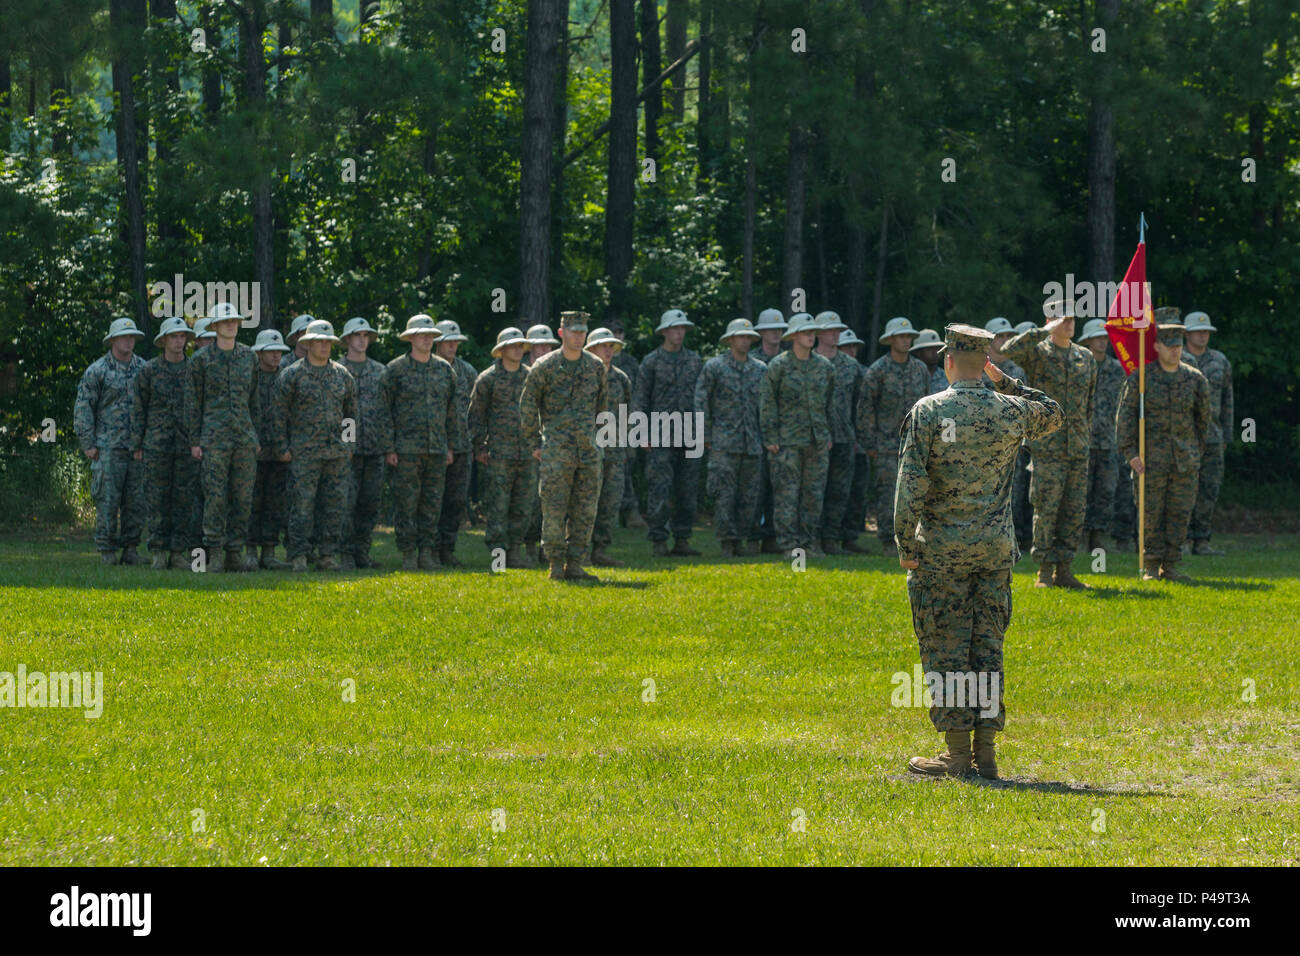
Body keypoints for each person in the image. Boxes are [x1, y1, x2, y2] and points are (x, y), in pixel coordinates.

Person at [896, 325, 1063, 779]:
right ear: (985, 364)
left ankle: (955, 754)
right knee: (987, 647)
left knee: (946, 648)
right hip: (993, 551)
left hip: (942, 553)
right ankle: (985, 753)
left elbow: (911, 485)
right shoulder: (1010, 409)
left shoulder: (929, 411)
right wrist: (1005, 380)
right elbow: (1053, 412)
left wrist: (905, 545)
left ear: (947, 361)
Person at [1000, 301, 1097, 589]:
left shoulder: (1086, 357)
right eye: (1062, 319)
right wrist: (1044, 330)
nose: (1068, 323)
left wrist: (1086, 436)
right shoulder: (1038, 352)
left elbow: (1089, 402)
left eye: (1072, 319)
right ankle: (1043, 569)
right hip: (1048, 445)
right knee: (1046, 507)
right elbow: (1007, 351)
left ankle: (1064, 568)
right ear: (1050, 319)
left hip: (1077, 446)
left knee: (1074, 509)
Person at [1116, 319, 1211, 582]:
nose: (1175, 351)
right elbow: (1125, 417)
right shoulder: (1142, 379)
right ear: (1156, 345)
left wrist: (1194, 452)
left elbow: (1203, 422)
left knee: (1179, 515)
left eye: (1178, 346)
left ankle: (1170, 566)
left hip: (1184, 462)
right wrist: (1130, 453)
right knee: (1150, 515)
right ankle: (1150, 566)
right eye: (1169, 346)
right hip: (1149, 461)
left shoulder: (1195, 379)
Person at [520, 310, 608, 582]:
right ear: (561, 333)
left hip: (588, 452)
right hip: (557, 452)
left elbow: (602, 408)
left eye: (583, 331)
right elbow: (527, 406)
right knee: (554, 509)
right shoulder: (544, 366)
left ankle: (577, 563)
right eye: (574, 331)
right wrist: (535, 442)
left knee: (585, 510)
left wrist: (599, 441)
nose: (579, 336)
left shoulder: (595, 367)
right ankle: (556, 564)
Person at [271, 320, 358, 572]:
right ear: (307, 344)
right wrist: (282, 446)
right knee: (302, 505)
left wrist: (349, 444)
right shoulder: (292, 375)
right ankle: (298, 554)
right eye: (319, 341)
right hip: (303, 453)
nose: (324, 346)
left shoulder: (343, 375)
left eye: (328, 341)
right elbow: (278, 414)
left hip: (336, 454)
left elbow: (351, 413)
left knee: (334, 505)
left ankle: (327, 554)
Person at [184, 302, 262, 572]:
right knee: (215, 498)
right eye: (225, 321)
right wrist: (195, 441)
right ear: (214, 326)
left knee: (242, 498)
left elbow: (255, 400)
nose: (231, 325)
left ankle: (234, 552)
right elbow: (193, 403)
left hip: (244, 438)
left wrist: (256, 437)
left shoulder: (249, 357)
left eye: (234, 321)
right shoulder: (201, 361)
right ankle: (214, 552)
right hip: (213, 440)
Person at [378, 314, 457, 571]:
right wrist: (389, 447)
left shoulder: (445, 370)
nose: (426, 339)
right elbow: (384, 411)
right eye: (421, 334)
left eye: (430, 335)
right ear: (410, 338)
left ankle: (427, 551)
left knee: (432, 503)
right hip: (406, 449)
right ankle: (408, 552)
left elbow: (452, 412)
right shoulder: (395, 370)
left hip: (436, 447)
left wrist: (450, 446)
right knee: (406, 503)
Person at [758, 313, 834, 558]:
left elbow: (829, 403)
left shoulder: (824, 367)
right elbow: (768, 403)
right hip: (787, 442)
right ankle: (789, 545)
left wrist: (827, 433)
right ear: (793, 337)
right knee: (787, 496)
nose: (811, 335)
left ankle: (809, 543)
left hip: (817, 441)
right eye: (805, 332)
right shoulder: (778, 366)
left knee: (813, 495)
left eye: (812, 331)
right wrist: (770, 437)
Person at [76, 316, 148, 565]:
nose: (129, 341)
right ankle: (107, 549)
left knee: (135, 502)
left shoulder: (144, 369)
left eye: (132, 337)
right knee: (107, 500)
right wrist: (88, 443)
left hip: (136, 449)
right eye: (124, 337)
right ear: (113, 340)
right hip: (107, 448)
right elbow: (84, 408)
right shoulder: (98, 371)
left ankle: (130, 549)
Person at [634, 308, 704, 557]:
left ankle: (683, 539)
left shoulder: (695, 360)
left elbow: (702, 398)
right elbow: (640, 399)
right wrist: (642, 433)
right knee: (659, 490)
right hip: (660, 434)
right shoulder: (651, 362)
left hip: (690, 434)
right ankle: (659, 541)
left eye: (683, 328)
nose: (679, 332)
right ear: (664, 331)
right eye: (675, 328)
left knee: (687, 491)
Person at [857, 316, 929, 556]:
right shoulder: (877, 371)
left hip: (916, 444)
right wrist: (870, 443)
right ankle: (889, 540)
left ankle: (913, 539)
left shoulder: (919, 369)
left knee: (916, 492)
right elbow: (866, 408)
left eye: (909, 336)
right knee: (888, 493)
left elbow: (928, 406)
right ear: (890, 340)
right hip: (885, 445)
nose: (906, 340)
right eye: (901, 336)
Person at [129, 316, 196, 570]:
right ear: (164, 341)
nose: (179, 341)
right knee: (156, 500)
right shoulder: (149, 370)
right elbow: (138, 409)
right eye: (174, 337)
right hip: (156, 445)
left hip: (186, 445)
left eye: (182, 337)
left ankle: (178, 551)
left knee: (183, 500)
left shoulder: (194, 370)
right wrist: (137, 444)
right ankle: (158, 551)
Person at [695, 318, 765, 557]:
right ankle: (727, 542)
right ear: (731, 340)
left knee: (749, 497)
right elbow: (701, 401)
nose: (744, 341)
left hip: (753, 443)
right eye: (740, 336)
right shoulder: (714, 367)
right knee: (724, 495)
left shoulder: (760, 370)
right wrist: (703, 434)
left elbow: (767, 408)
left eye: (748, 337)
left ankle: (742, 540)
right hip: (723, 443)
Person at [469, 328, 538, 568]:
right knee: (498, 506)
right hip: (498, 454)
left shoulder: (532, 377)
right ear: (502, 350)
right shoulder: (487, 379)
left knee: (523, 505)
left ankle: (516, 551)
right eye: (513, 345)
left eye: (521, 345)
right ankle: (498, 554)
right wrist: (479, 447)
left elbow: (541, 413)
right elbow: (476, 416)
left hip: (527, 453)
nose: (518, 349)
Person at [1180, 311, 1233, 555]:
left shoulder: (1220, 361)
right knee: (1181, 489)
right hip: (1183, 436)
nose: (1203, 336)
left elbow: (1228, 401)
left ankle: (1201, 541)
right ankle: (1178, 541)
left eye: (1206, 332)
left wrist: (1227, 436)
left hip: (1213, 436)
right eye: (1198, 332)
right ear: (1187, 334)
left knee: (1209, 489)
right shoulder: (1176, 358)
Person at [338, 317, 387, 569]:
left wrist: (388, 444)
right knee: (346, 502)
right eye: (357, 335)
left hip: (375, 447)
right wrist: (347, 445)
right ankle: (345, 554)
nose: (362, 340)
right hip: (348, 452)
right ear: (347, 340)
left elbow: (388, 410)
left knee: (370, 503)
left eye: (366, 336)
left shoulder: (380, 371)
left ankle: (362, 552)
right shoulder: (337, 370)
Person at [1077, 318, 1126, 553]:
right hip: (1081, 441)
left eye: (1104, 337)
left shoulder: (1117, 370)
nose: (1102, 342)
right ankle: (1077, 537)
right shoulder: (1078, 368)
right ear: (1087, 341)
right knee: (1079, 492)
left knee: (1105, 491)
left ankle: (1098, 538)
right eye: (1097, 337)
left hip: (1108, 441)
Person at [586, 327, 633, 567]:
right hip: (586, 451)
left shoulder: (621, 378)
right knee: (584, 502)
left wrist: (627, 448)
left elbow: (628, 415)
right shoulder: (581, 376)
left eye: (611, 345)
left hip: (614, 451)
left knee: (610, 501)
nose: (608, 349)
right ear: (591, 349)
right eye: (603, 345)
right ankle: (579, 551)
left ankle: (601, 549)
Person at [814, 311, 860, 555]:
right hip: (815, 439)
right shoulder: (810, 363)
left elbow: (858, 405)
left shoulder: (851, 366)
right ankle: (812, 540)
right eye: (830, 330)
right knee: (813, 490)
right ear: (818, 333)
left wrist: (856, 435)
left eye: (837, 330)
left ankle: (832, 539)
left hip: (844, 437)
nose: (835, 334)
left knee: (839, 491)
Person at [433, 320, 476, 568]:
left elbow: (476, 410)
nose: (452, 345)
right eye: (447, 341)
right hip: (434, 447)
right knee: (432, 500)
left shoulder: (468, 372)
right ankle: (428, 550)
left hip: (462, 447)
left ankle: (447, 550)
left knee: (456, 501)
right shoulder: (430, 368)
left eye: (455, 341)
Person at [249, 329, 293, 570]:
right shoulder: (249, 378)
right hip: (252, 453)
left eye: (279, 351)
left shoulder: (287, 378)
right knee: (251, 503)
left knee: (275, 504)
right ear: (259, 352)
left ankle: (269, 551)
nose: (277, 355)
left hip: (280, 453)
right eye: (271, 351)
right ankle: (249, 551)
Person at [750, 308, 788, 553]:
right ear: (761, 332)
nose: (775, 333)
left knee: (779, 489)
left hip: (782, 435)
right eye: (771, 329)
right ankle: (752, 537)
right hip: (751, 435)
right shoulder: (750, 359)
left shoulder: (788, 360)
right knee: (755, 489)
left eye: (780, 329)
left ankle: (772, 537)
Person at [608, 317, 647, 530]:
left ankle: (630, 511)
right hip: (602, 425)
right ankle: (611, 513)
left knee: (626, 468)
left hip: (626, 424)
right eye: (613, 331)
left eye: (620, 331)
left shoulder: (631, 364)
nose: (617, 335)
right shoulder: (594, 360)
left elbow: (637, 396)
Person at [837, 328, 871, 553]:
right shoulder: (827, 369)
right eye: (847, 346)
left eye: (854, 346)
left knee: (856, 490)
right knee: (835, 490)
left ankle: (849, 536)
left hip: (857, 440)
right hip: (835, 439)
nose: (852, 350)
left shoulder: (865, 373)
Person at [908, 329, 947, 395]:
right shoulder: (909, 375)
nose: (935, 353)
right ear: (918, 352)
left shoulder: (945, 376)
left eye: (937, 349)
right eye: (929, 349)